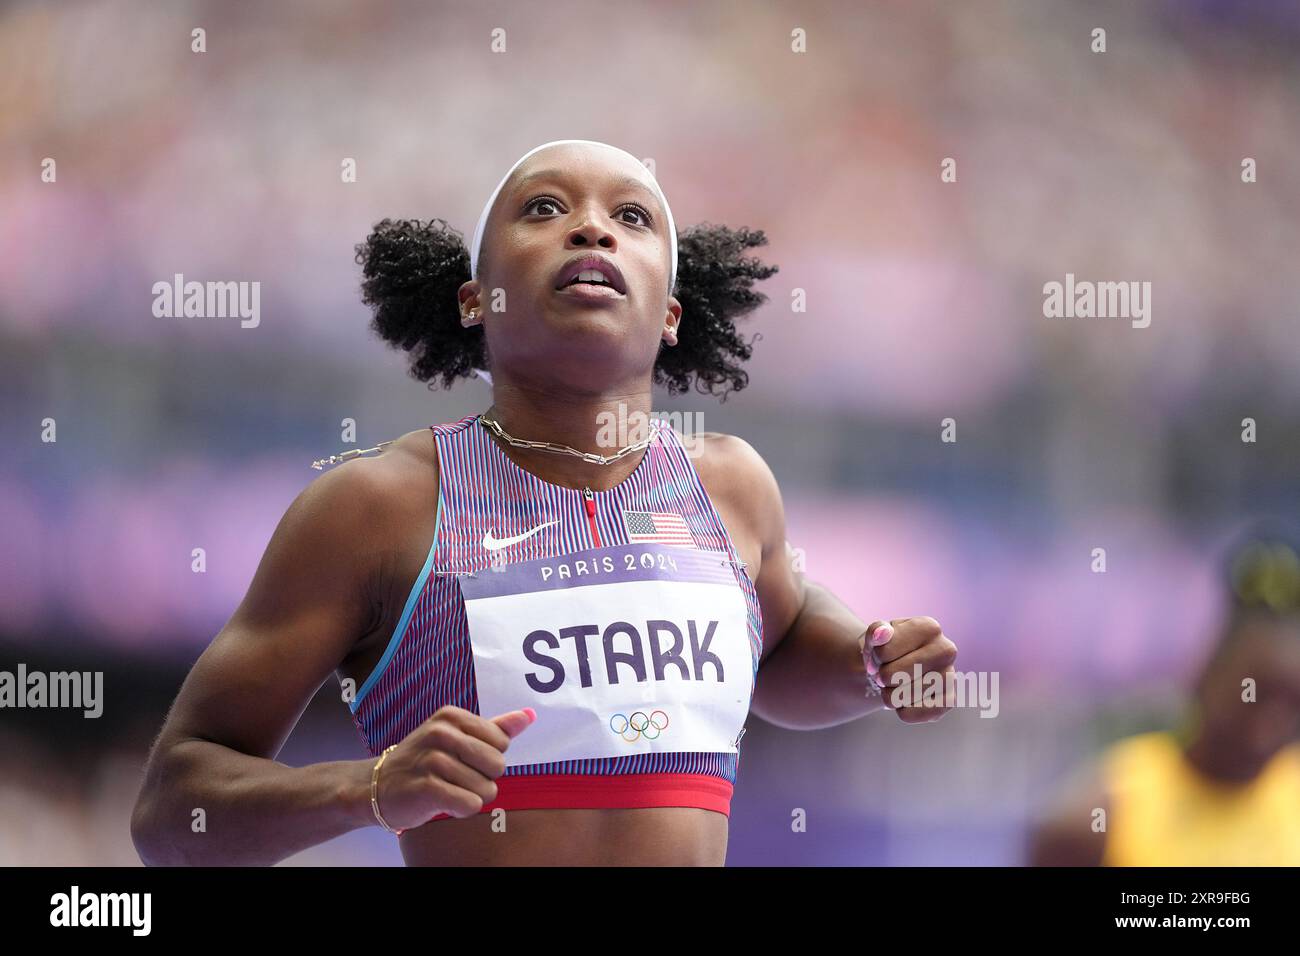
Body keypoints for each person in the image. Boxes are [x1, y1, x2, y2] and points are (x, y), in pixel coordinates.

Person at [130, 139, 958, 866]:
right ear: (472, 298)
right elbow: (172, 813)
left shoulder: (730, 485)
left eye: (632, 218)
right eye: (546, 208)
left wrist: (868, 662)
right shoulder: (376, 507)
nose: (593, 228)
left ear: (670, 314)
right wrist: (369, 790)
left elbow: (775, 654)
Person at [1030, 526, 1300, 866]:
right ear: (1205, 672)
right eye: (1255, 694)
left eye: (1293, 703)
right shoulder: (1099, 817)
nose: (1267, 727)